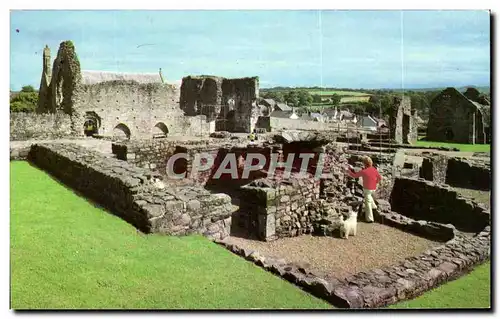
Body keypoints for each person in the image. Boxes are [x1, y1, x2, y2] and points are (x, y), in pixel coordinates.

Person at [345, 156, 382, 223]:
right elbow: (379, 178)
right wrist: (375, 182)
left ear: (364, 164)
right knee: (369, 196)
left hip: (367, 188)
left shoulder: (364, 171)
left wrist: (348, 171)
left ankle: (369, 219)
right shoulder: (374, 169)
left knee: (367, 202)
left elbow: (354, 176)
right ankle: (374, 207)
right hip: (373, 187)